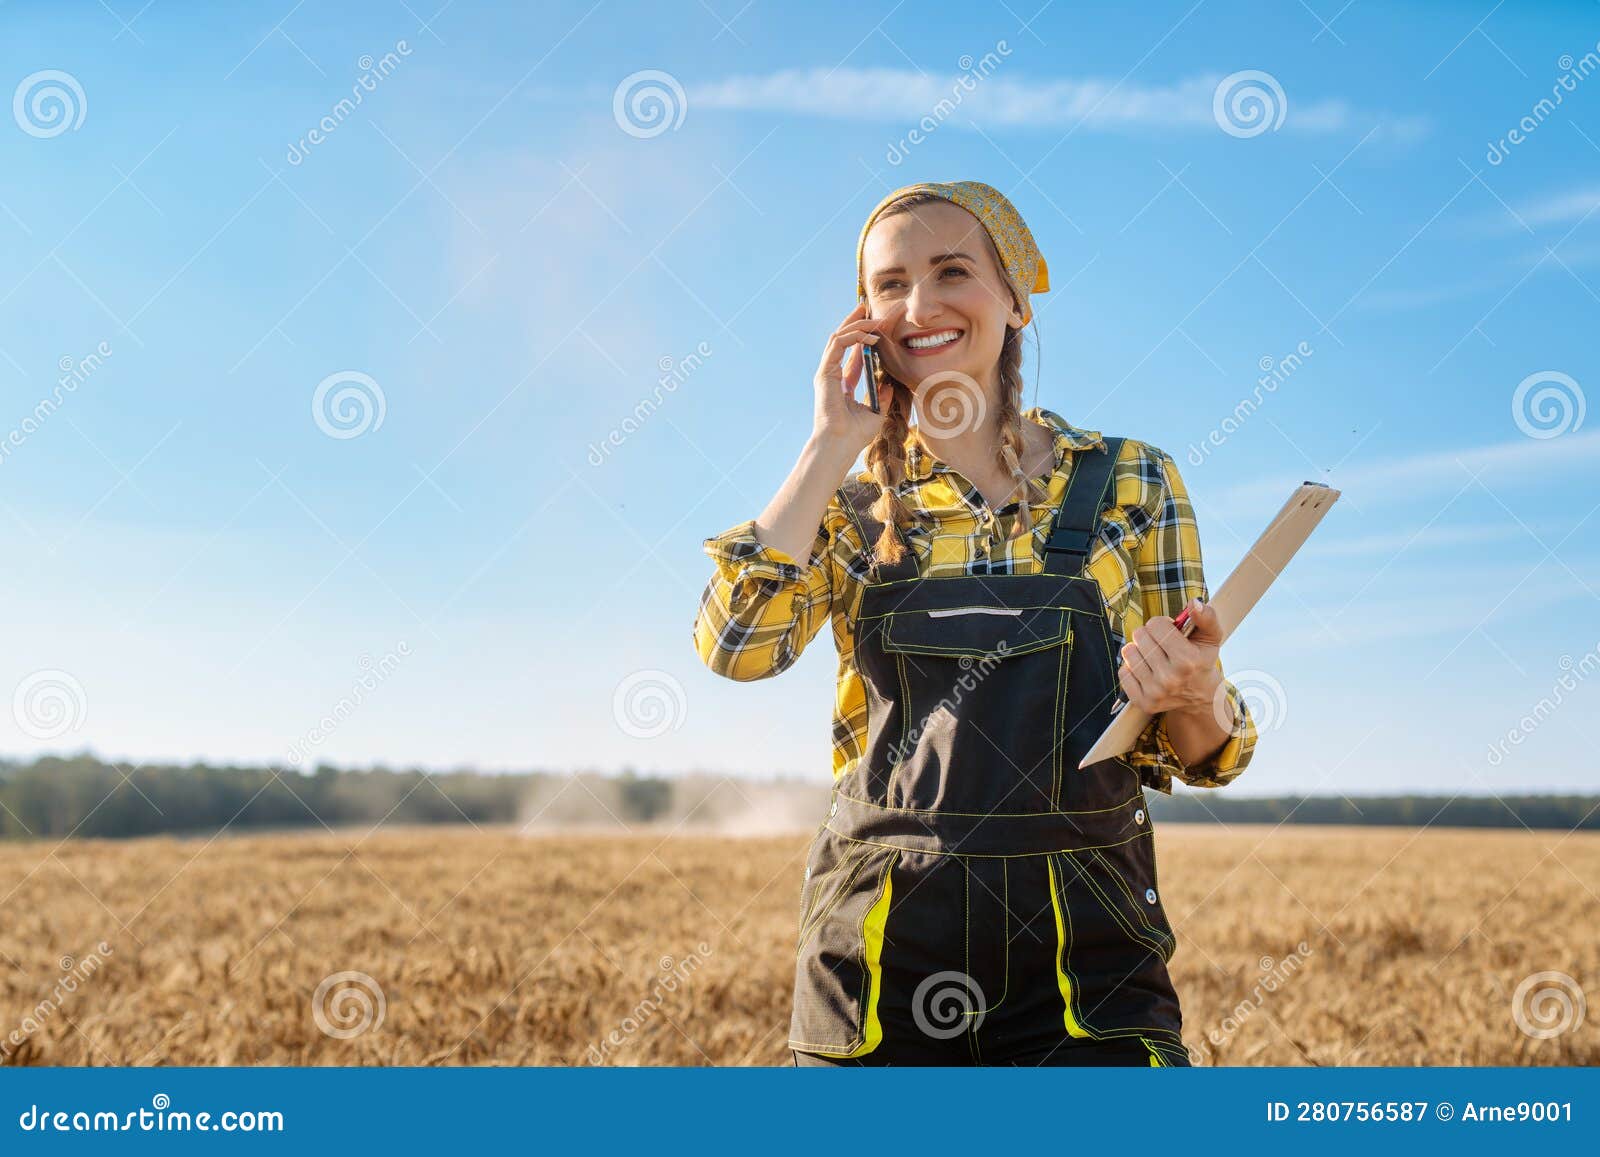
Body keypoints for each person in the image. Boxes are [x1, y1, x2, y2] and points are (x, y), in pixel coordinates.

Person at [692, 180, 1257, 1067]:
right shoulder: (843, 508)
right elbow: (735, 648)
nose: (919, 305)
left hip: (1087, 945)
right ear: (864, 318)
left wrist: (1196, 691)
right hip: (883, 940)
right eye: (890, 285)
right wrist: (827, 446)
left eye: (952, 270)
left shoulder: (1132, 482)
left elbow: (1203, 750)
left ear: (1015, 299)